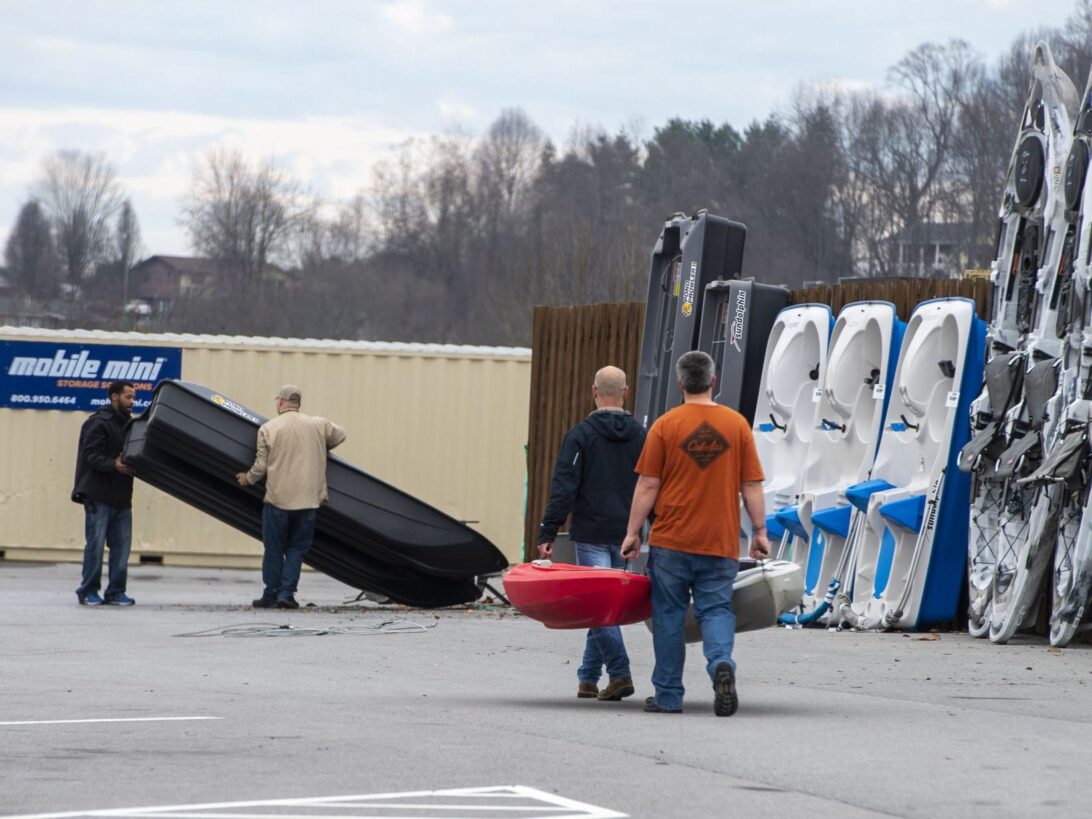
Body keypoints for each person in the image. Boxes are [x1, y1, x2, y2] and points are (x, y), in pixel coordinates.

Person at [621, 350, 770, 716]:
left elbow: (647, 485)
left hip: (671, 541)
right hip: (719, 541)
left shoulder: (665, 426)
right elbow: (751, 485)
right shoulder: (736, 426)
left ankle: (669, 696)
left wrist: (633, 532)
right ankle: (722, 663)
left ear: (680, 382)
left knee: (669, 616)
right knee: (716, 609)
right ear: (713, 381)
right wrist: (761, 532)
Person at [538, 365, 646, 702]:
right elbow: (653, 484)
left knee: (600, 608)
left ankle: (619, 673)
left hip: (590, 532)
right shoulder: (643, 437)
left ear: (594, 391)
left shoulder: (580, 436)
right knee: (606, 607)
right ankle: (587, 677)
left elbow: (564, 487)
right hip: (627, 533)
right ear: (626, 393)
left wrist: (548, 530)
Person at [236, 385, 346, 609]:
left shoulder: (268, 429)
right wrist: (320, 445)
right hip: (308, 501)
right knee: (296, 549)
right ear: (298, 403)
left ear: (280, 403)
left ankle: (270, 595)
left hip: (278, 501)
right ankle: (287, 595)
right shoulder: (318, 425)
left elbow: (261, 466)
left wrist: (247, 479)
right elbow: (341, 434)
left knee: (274, 548)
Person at [72, 379, 137, 606]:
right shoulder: (99, 423)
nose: (132, 401)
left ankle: (116, 592)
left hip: (121, 496)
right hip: (98, 495)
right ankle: (88, 591)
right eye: (128, 397)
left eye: (133, 397)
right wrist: (114, 465)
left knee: (121, 548)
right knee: (96, 545)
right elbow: (91, 456)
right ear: (114, 397)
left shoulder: (130, 425)